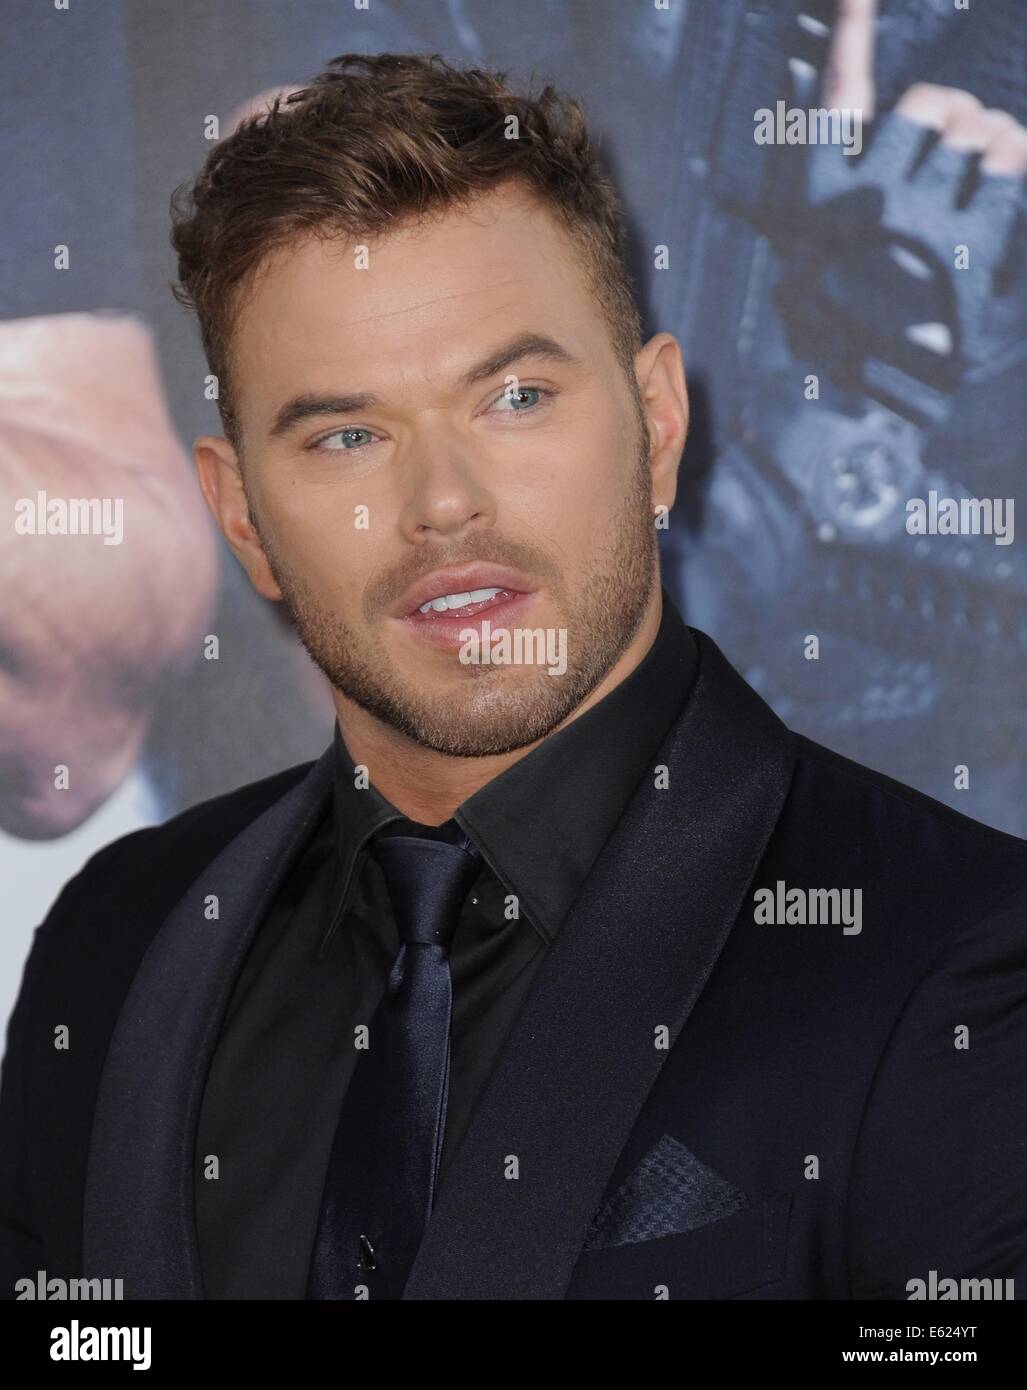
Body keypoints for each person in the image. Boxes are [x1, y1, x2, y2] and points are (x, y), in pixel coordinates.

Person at [1, 52, 1024, 1302]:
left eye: (517, 396)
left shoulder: (955, 955)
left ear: (656, 423)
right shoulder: (117, 938)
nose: (443, 504)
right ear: (244, 518)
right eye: (347, 436)